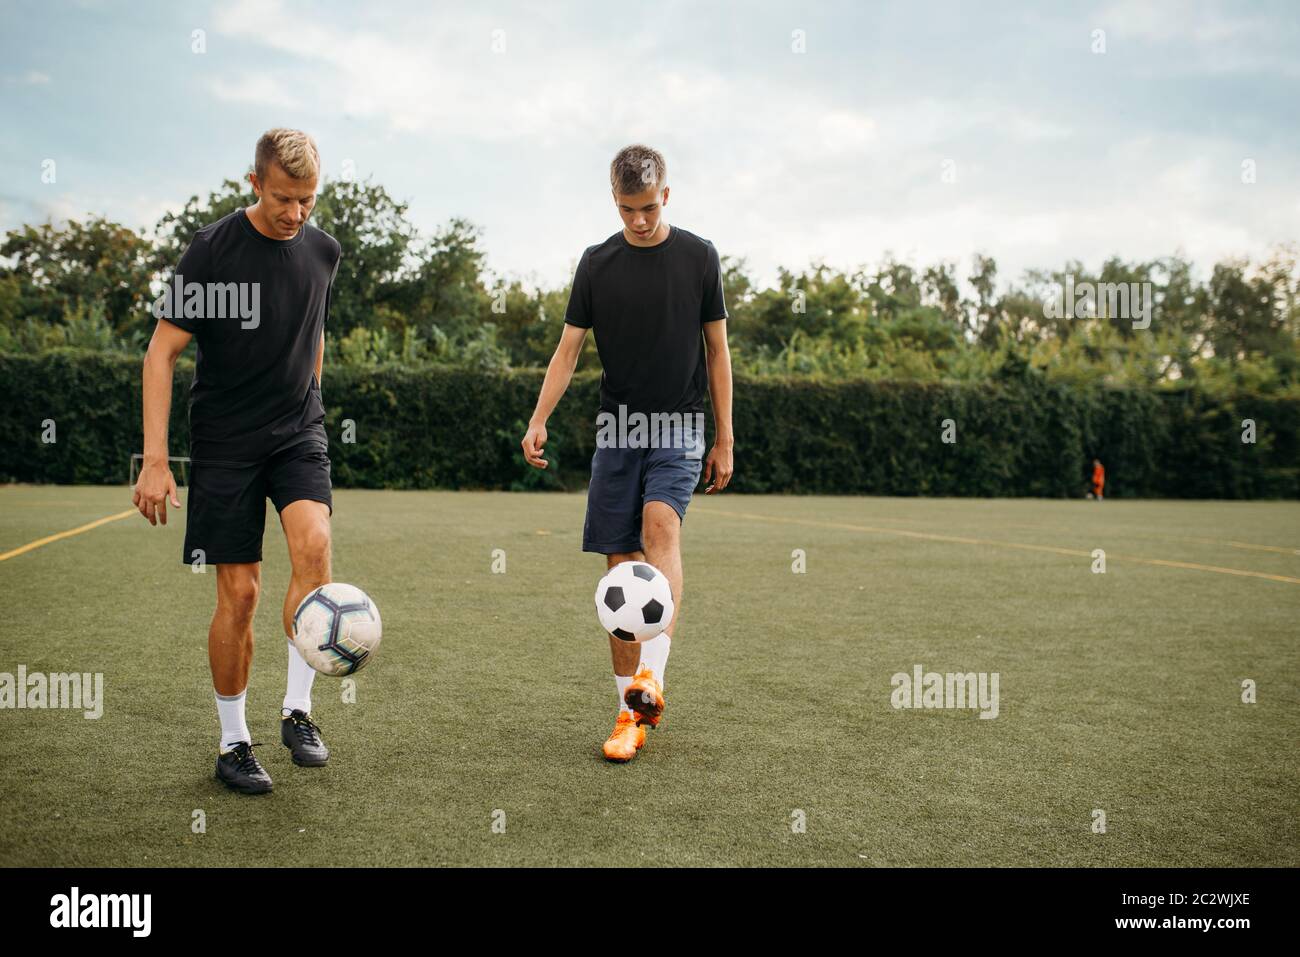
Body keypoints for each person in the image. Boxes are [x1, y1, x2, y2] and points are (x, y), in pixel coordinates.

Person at [132, 128, 342, 794]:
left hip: (297, 430)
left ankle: (298, 710)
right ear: (254, 183)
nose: (296, 213)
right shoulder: (211, 251)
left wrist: (313, 402)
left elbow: (313, 331)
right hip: (225, 438)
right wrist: (156, 461)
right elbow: (160, 354)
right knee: (242, 592)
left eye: (307, 199)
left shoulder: (323, 251)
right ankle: (233, 743)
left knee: (315, 546)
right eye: (284, 198)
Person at [521, 144, 734, 762]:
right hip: (618, 429)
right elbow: (568, 351)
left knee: (660, 525)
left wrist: (724, 436)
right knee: (620, 569)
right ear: (613, 201)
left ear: (665, 195)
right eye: (625, 209)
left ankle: (651, 681)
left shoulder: (699, 258)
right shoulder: (596, 264)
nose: (637, 220)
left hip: (679, 424)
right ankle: (628, 713)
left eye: (645, 207)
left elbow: (717, 352)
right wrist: (539, 419)